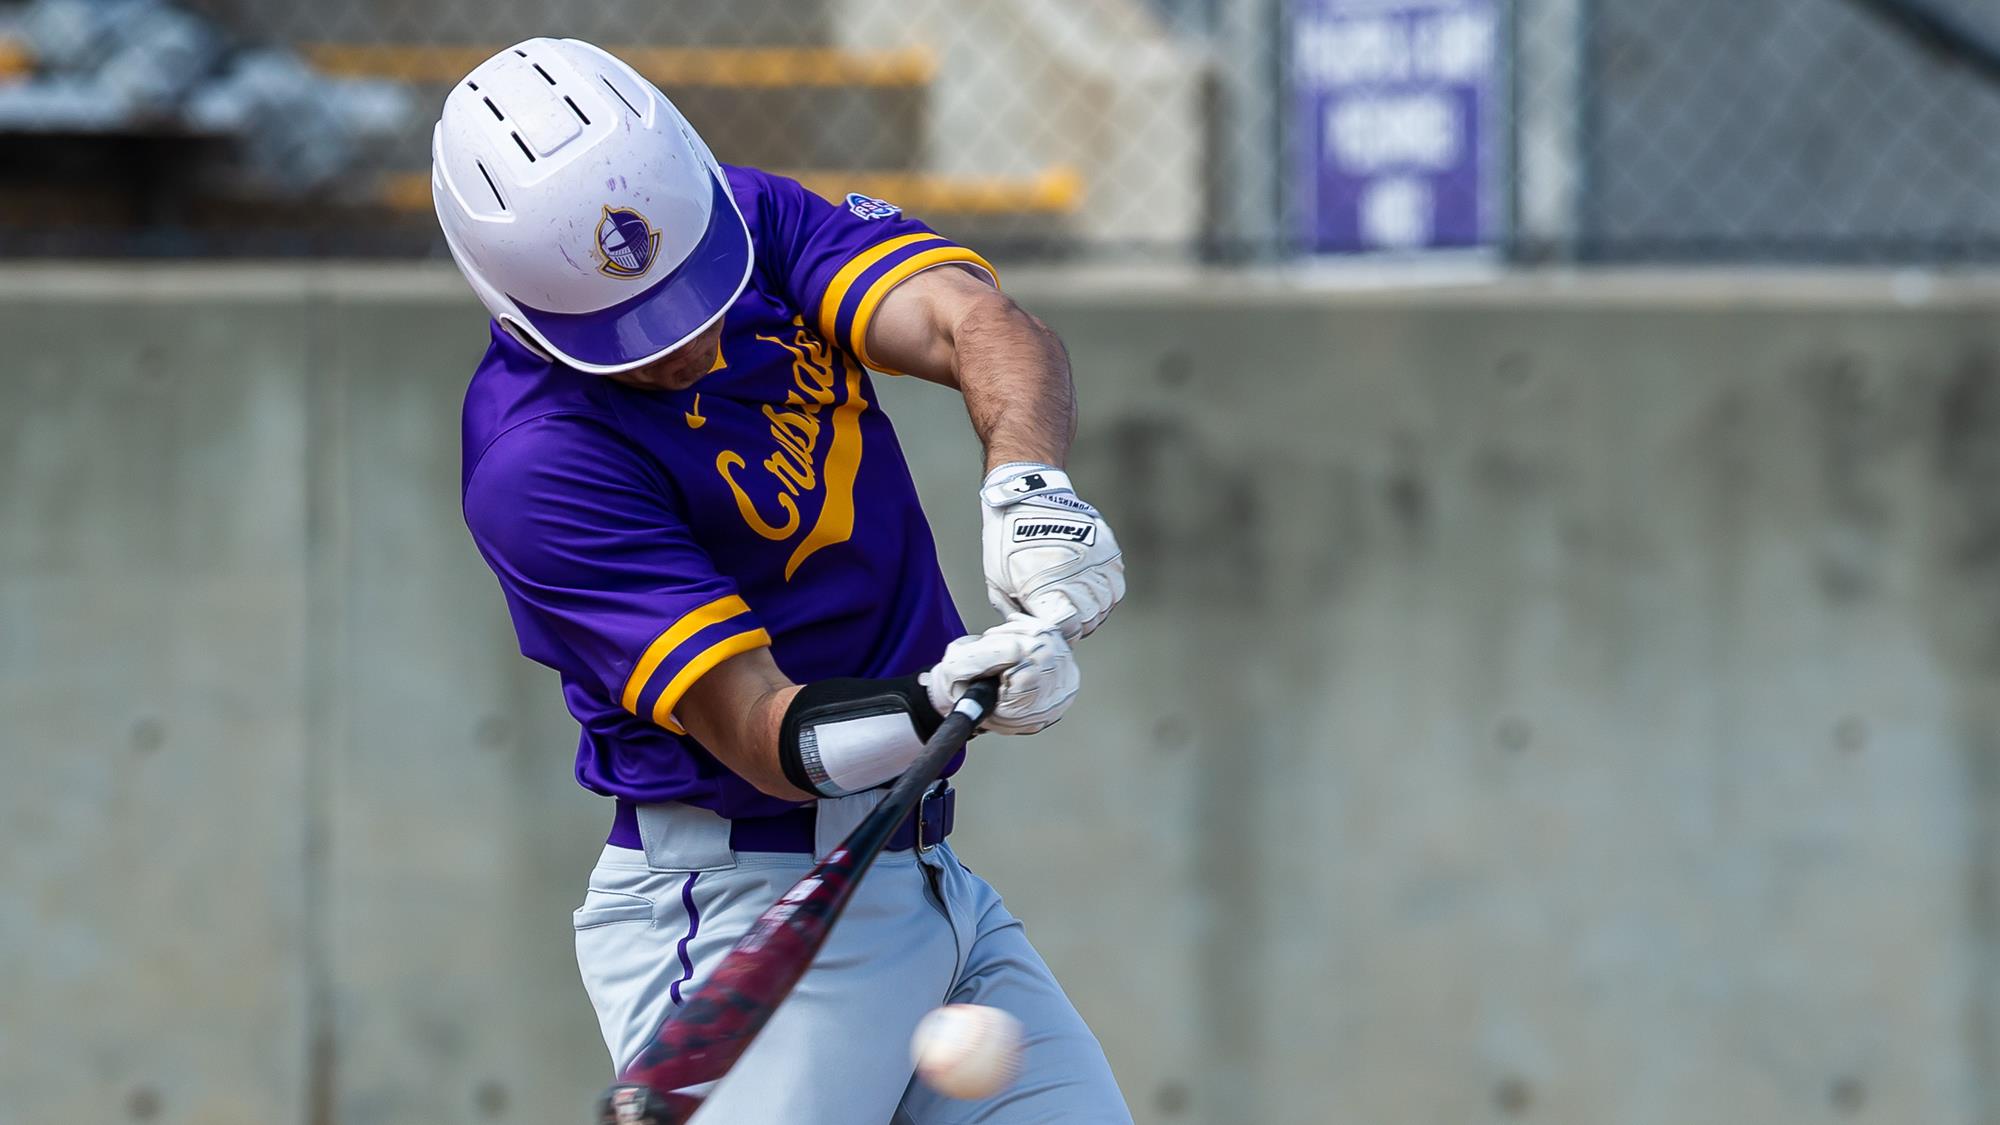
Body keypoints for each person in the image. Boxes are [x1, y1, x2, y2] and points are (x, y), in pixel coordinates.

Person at [432, 38, 1131, 1123]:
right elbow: (761, 732)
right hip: (742, 901)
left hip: (927, 878)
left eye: (691, 290)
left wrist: (1028, 486)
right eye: (633, 330)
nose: (693, 339)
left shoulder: (740, 222)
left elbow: (970, 320)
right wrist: (941, 704)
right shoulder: (540, 463)